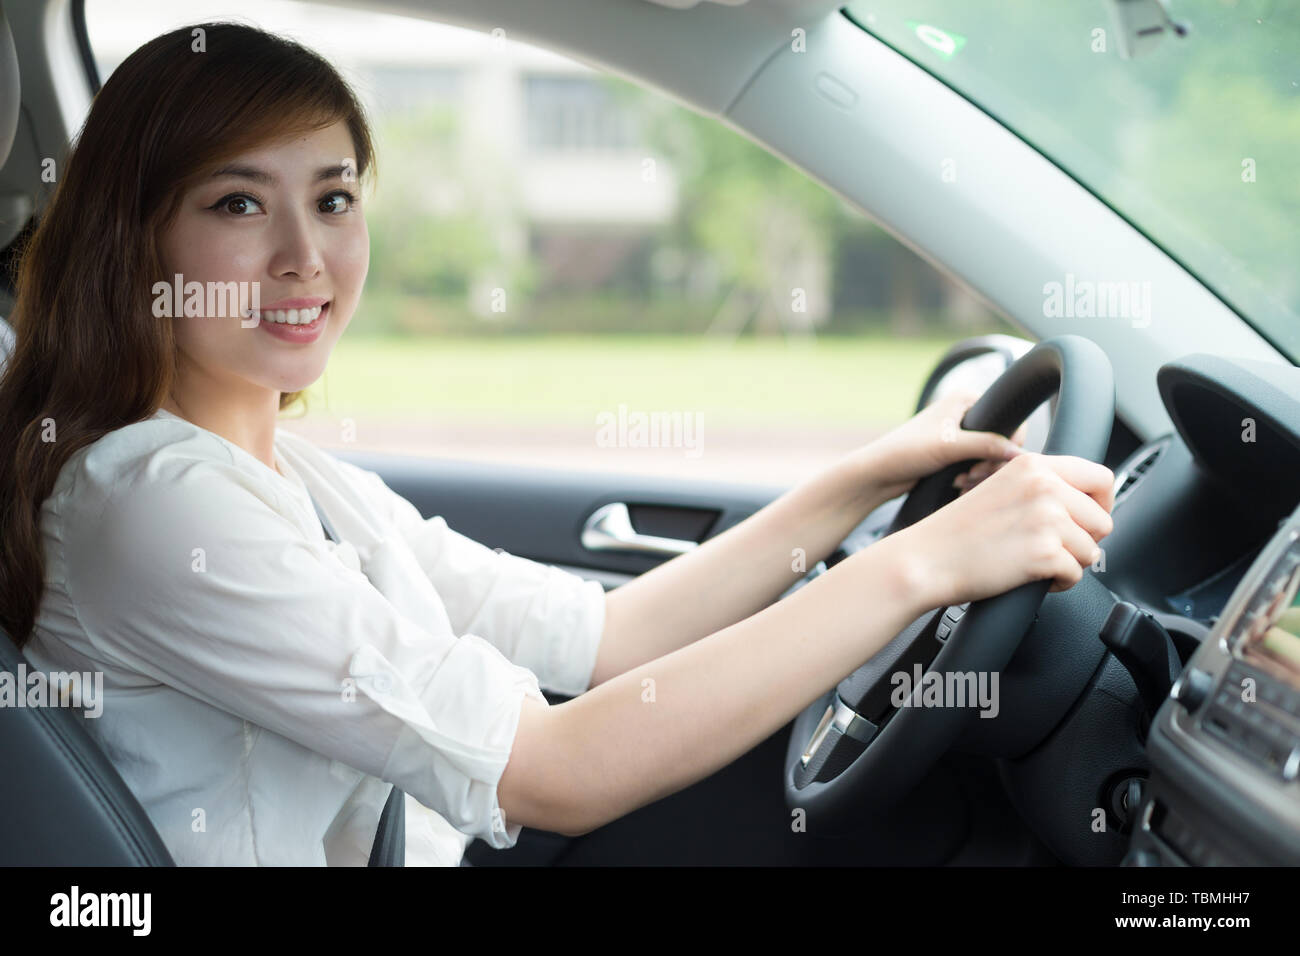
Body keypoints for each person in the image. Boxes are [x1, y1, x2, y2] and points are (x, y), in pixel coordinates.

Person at [0, 22, 1114, 866]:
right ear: (135, 239)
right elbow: (557, 769)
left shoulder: (289, 479)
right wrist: (920, 563)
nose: (305, 253)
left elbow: (602, 634)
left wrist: (856, 483)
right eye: (239, 204)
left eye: (333, 197)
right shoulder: (151, 499)